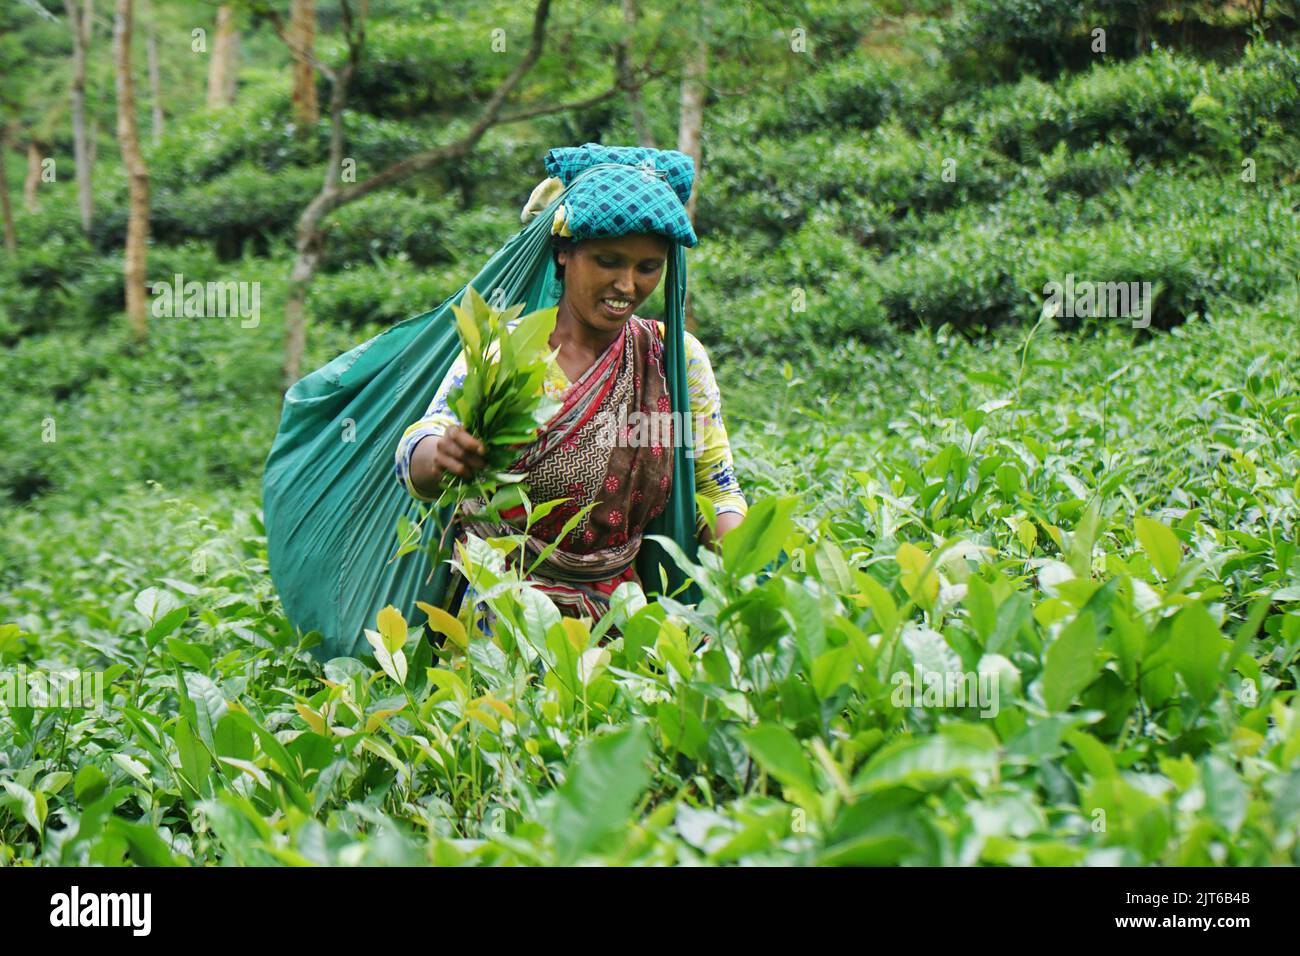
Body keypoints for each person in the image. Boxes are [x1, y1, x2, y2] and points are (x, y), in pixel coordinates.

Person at [393, 157, 746, 623]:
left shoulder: (673, 361)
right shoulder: (509, 347)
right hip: (500, 611)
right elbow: (421, 445)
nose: (627, 284)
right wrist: (442, 456)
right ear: (564, 252)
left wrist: (745, 564)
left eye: (647, 267)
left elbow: (714, 488)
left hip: (620, 617)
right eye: (607, 261)